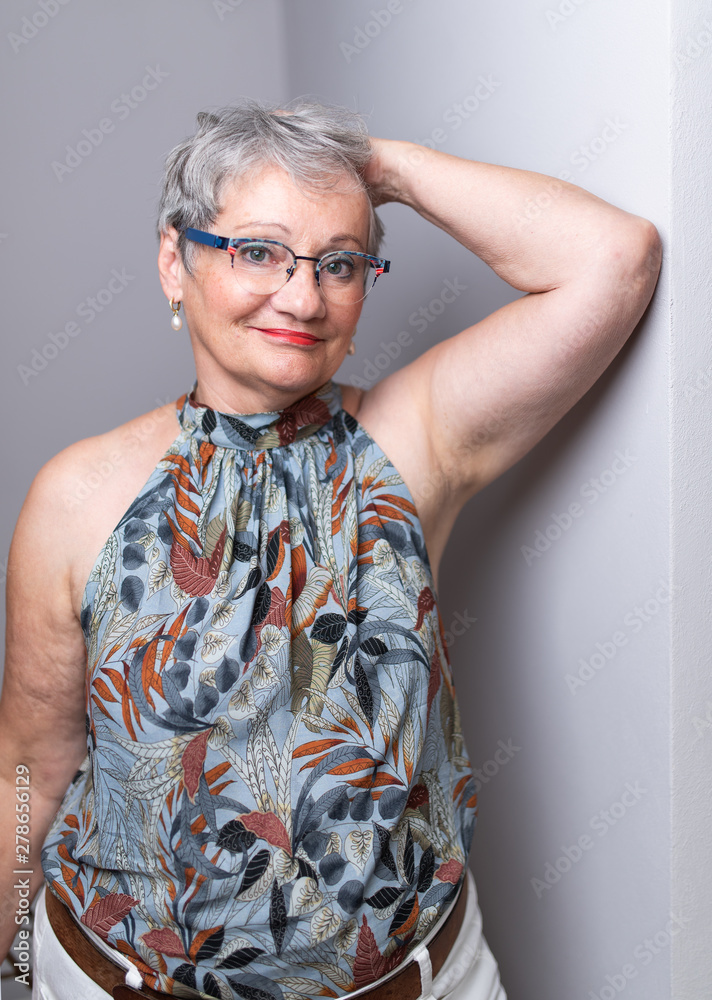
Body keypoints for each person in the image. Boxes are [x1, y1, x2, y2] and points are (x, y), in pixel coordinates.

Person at [0, 99, 661, 1000]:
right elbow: (27, 774)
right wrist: (13, 967)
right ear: (174, 261)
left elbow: (614, 261)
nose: (304, 297)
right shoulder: (76, 498)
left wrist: (373, 164)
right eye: (260, 251)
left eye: (339, 263)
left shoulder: (410, 442)